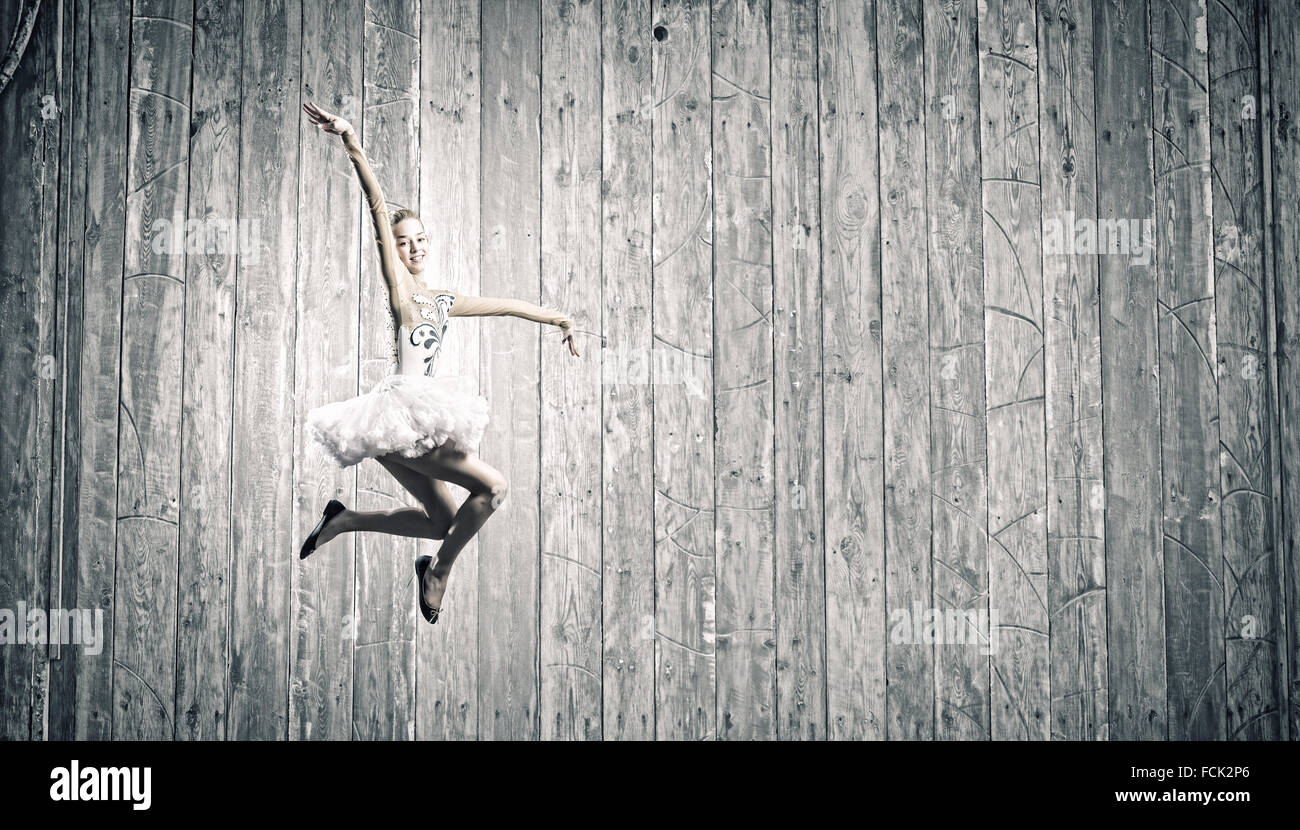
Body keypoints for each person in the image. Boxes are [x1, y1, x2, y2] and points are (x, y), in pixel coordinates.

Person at [297, 100, 580, 625]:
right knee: (492, 490)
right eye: (404, 244)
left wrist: (558, 318)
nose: (414, 248)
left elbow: (504, 305)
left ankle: (343, 520)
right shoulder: (401, 290)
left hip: (414, 419)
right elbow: (378, 207)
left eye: (420, 240)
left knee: (444, 520)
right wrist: (350, 140)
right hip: (402, 416)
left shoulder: (442, 300)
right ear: (395, 253)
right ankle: (438, 573)